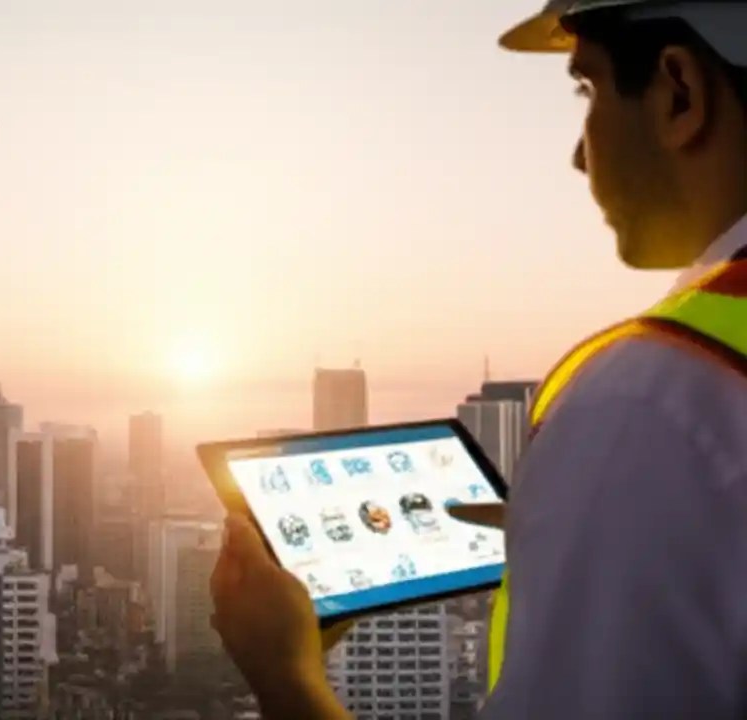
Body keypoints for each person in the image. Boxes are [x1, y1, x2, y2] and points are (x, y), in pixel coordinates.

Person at [210, 1, 747, 717]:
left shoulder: (651, 401)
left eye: (586, 88)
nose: (579, 154)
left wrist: (285, 676)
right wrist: (582, 523)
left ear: (680, 92)